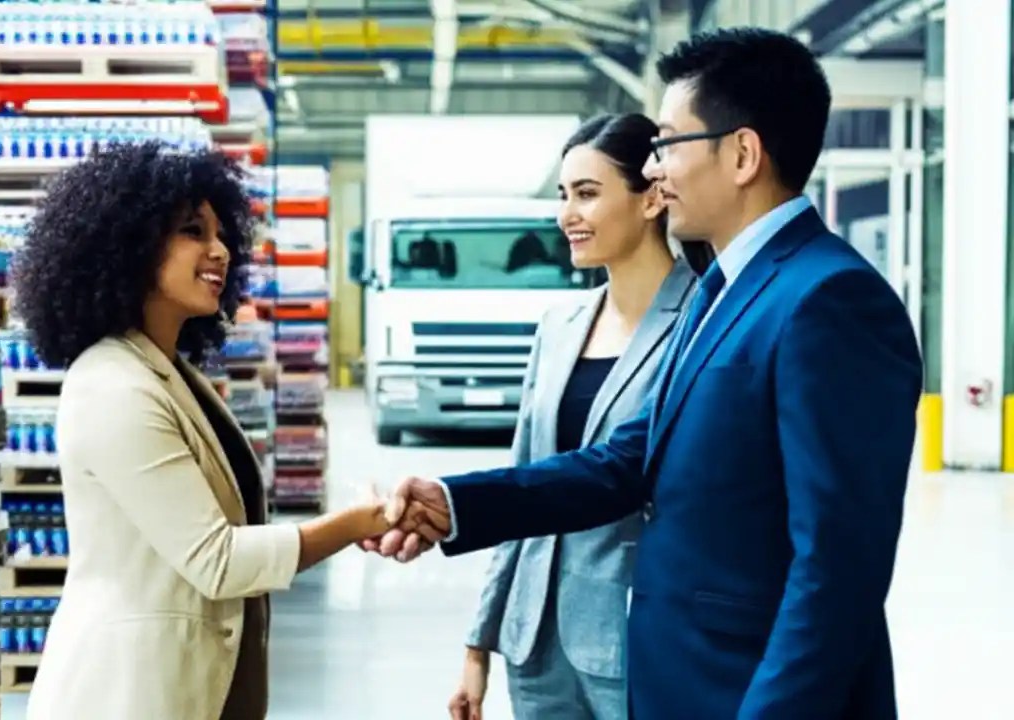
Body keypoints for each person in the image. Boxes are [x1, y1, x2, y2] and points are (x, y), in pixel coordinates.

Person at [374, 27, 923, 720]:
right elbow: (629, 463)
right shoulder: (721, 288)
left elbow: (838, 572)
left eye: (667, 144)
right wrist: (456, 503)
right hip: (678, 684)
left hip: (749, 694)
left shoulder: (829, 300)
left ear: (743, 153)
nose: (655, 168)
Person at [13, 143, 392, 720]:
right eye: (193, 231)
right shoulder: (113, 386)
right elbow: (216, 558)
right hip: (127, 693)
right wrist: (351, 526)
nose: (218, 251)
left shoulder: (165, 372)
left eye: (221, 234)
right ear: (130, 246)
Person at [451, 114, 697, 720]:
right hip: (534, 639)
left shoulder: (703, 321)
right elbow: (523, 479)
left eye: (587, 194)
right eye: (564, 196)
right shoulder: (558, 328)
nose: (567, 215)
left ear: (651, 198)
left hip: (636, 631)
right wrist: (478, 643)